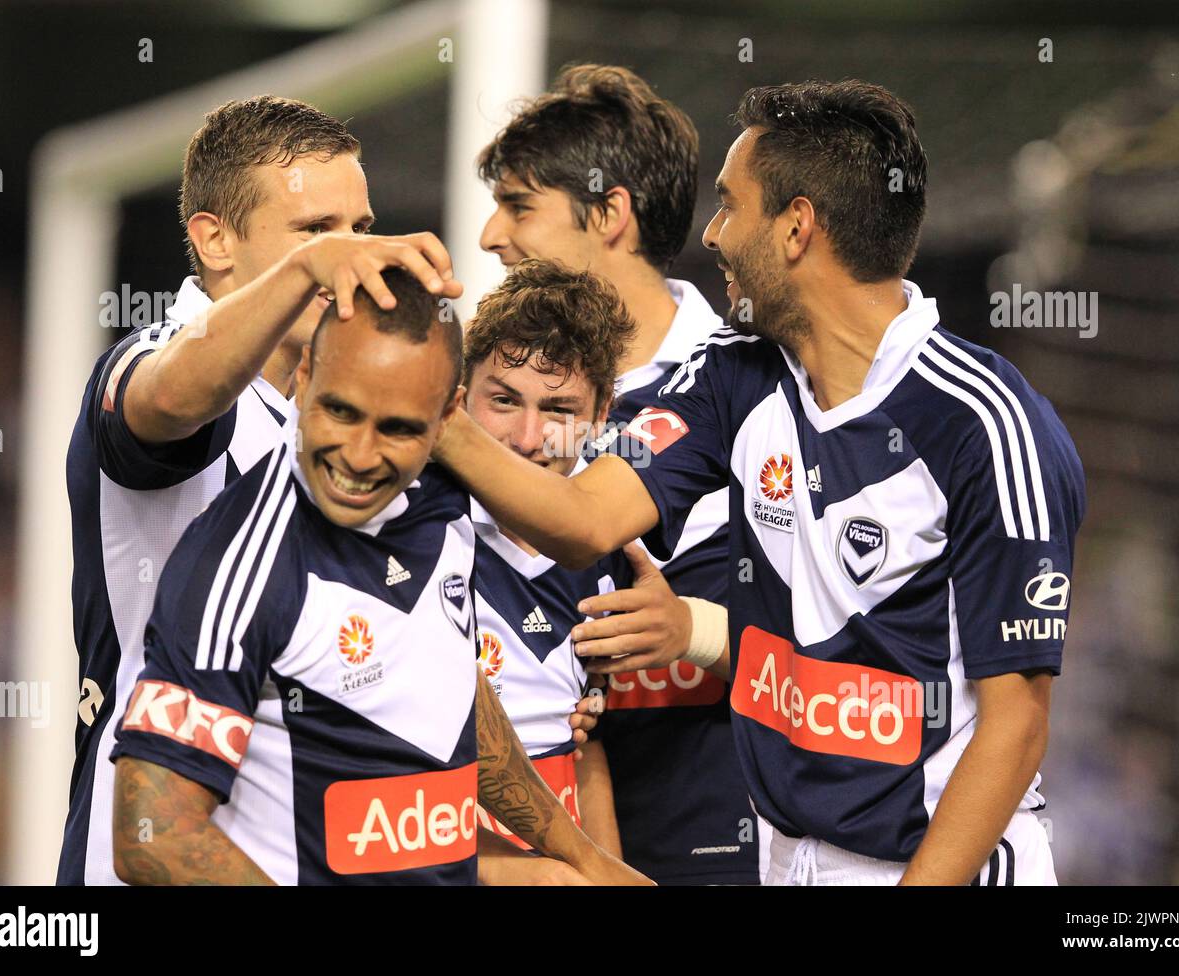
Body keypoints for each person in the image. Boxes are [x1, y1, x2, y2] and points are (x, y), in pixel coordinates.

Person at [436, 79, 1085, 885]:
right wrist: (431, 414)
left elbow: (1015, 726)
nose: (711, 235)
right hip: (785, 862)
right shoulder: (729, 381)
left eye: (729, 206)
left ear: (796, 228)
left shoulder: (988, 427)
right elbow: (582, 517)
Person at [110, 271, 648, 885]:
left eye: (398, 427)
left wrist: (581, 862)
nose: (361, 457)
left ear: (446, 419)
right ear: (305, 375)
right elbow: (153, 836)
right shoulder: (236, 566)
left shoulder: (445, 501)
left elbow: (447, 682)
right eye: (342, 411)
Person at [59, 93, 473, 885]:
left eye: (359, 227)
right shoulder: (165, 364)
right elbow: (172, 399)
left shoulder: (353, 407)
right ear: (214, 240)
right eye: (315, 232)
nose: (348, 257)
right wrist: (306, 274)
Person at [475, 63, 759, 885]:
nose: (493, 233)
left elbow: (848, 637)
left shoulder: (749, 392)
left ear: (609, 212)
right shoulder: (483, 389)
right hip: (538, 834)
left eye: (519, 204)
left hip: (718, 830)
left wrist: (694, 632)